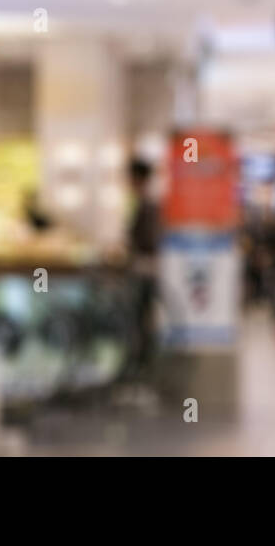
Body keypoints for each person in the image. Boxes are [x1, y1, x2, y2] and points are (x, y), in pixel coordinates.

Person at [120, 158, 162, 403]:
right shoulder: (145, 202)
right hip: (144, 270)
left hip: (144, 272)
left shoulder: (147, 204)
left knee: (141, 325)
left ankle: (142, 380)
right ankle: (140, 379)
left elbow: (147, 241)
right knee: (140, 324)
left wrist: (128, 250)